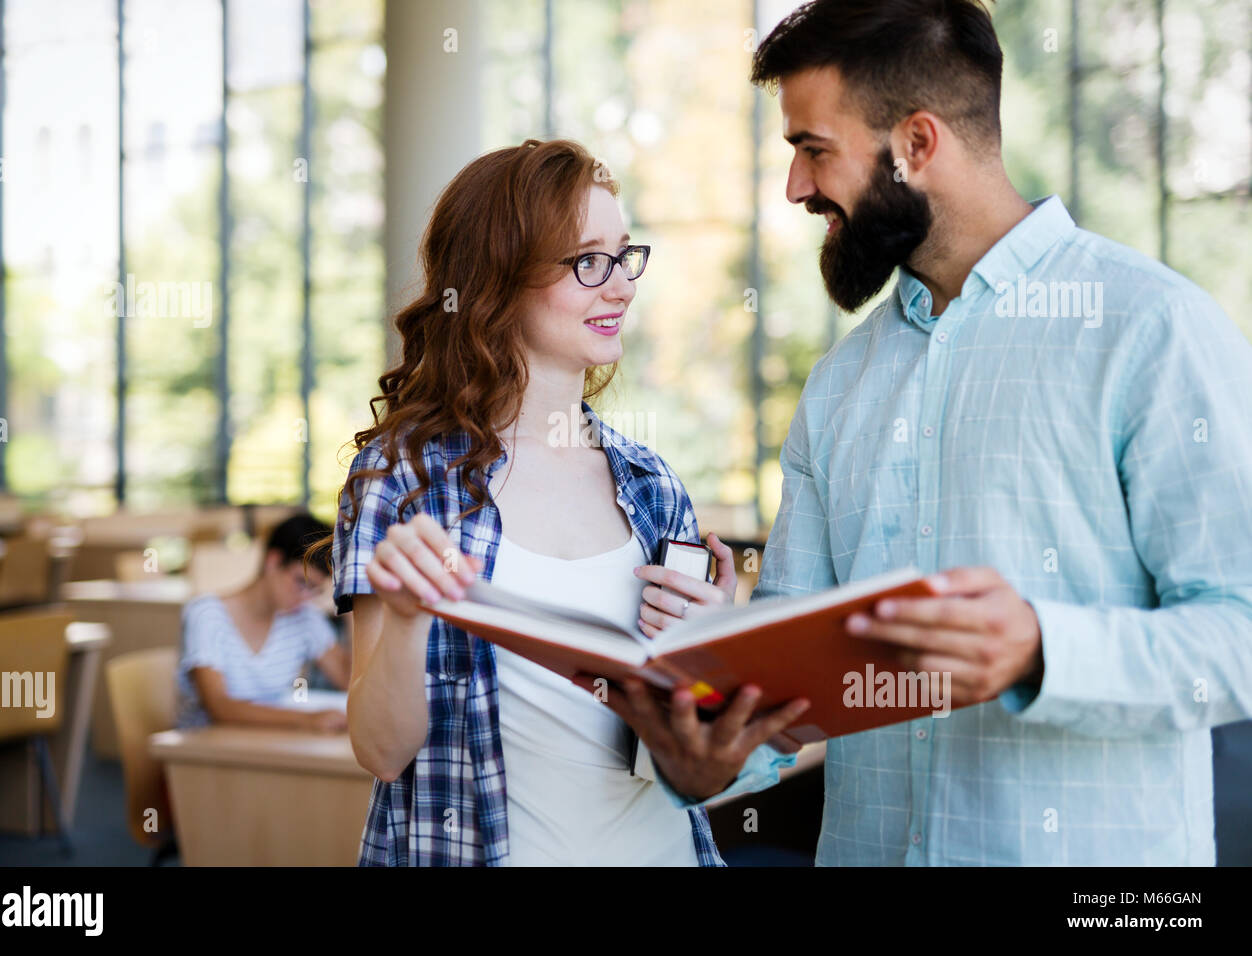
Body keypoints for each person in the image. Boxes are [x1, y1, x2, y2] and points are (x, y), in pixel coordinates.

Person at [630, 0, 1252, 865]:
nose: (796, 189)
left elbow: (1238, 635)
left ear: (917, 144)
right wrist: (709, 758)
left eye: (813, 150)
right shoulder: (840, 382)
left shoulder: (1153, 330)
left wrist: (1040, 649)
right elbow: (791, 683)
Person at [327, 139, 810, 866]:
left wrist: (717, 656)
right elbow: (382, 751)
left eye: (624, 256)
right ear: (499, 277)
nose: (619, 287)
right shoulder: (405, 479)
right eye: (588, 262)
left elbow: (693, 765)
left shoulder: (652, 486)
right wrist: (403, 621)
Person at [177, 513, 351, 731]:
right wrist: (307, 720)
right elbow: (219, 707)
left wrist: (354, 608)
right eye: (301, 582)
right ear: (273, 561)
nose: (306, 596)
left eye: (315, 589)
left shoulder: (303, 616)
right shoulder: (206, 614)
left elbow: (348, 681)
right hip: (203, 750)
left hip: (264, 745)